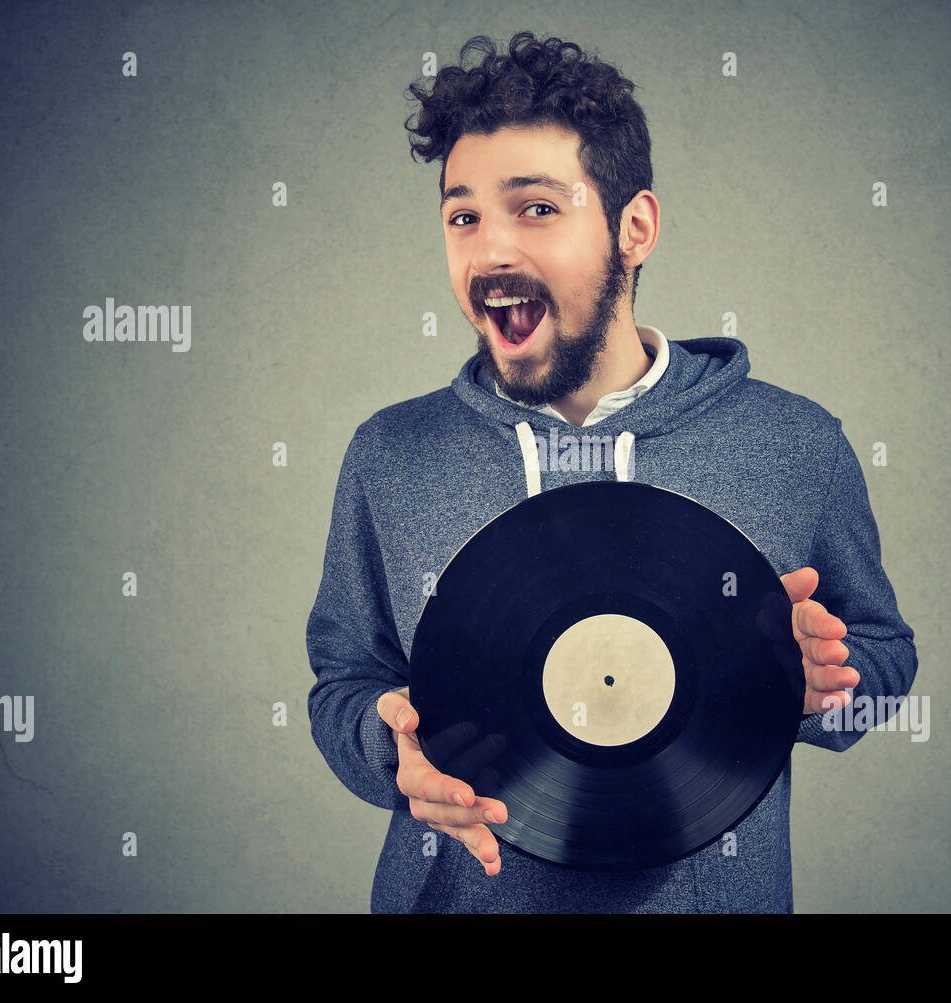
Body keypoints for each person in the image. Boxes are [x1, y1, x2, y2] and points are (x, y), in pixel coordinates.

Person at [306, 31, 917, 913]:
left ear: (636, 228)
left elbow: (885, 655)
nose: (490, 253)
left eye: (537, 209)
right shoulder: (389, 455)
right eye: (463, 215)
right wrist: (385, 748)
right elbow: (343, 682)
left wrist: (829, 686)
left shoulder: (795, 441)